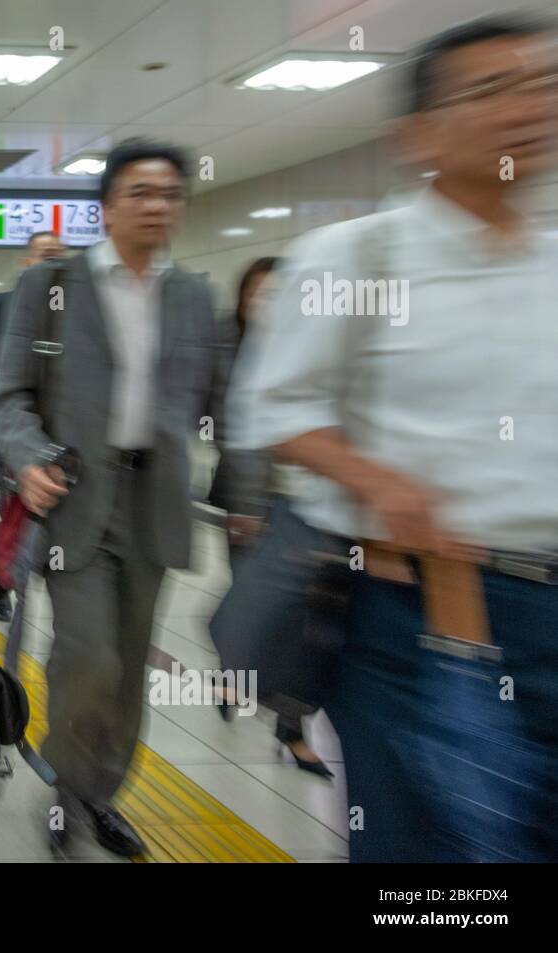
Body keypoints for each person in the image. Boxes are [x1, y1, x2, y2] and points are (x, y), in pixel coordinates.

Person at [234, 15, 558, 862]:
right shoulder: (357, 256)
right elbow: (268, 405)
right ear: (417, 134)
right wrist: (376, 482)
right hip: (414, 613)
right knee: (433, 863)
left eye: (540, 84)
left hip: (549, 607)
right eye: (491, 90)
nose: (527, 107)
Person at [0, 137, 238, 858]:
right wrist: (30, 457)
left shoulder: (194, 296)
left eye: (170, 194)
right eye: (141, 192)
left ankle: (100, 792)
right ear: (105, 207)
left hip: (154, 504)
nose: (159, 206)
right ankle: (69, 784)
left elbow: (224, 406)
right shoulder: (53, 287)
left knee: (129, 667)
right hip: (76, 500)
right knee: (87, 656)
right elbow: (8, 396)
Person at [207, 257, 332, 778]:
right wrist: (248, 507)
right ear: (241, 301)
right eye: (257, 295)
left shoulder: (314, 352)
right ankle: (233, 674)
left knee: (303, 629)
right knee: (252, 615)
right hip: (249, 509)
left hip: (309, 516)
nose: (266, 305)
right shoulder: (227, 352)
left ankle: (293, 729)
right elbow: (219, 426)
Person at [0, 230, 67, 620]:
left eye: (59, 255)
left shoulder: (79, 306)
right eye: (45, 255)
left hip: (70, 437)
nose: (52, 262)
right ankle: (1, 581)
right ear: (27, 262)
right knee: (16, 516)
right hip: (20, 430)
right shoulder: (5, 304)